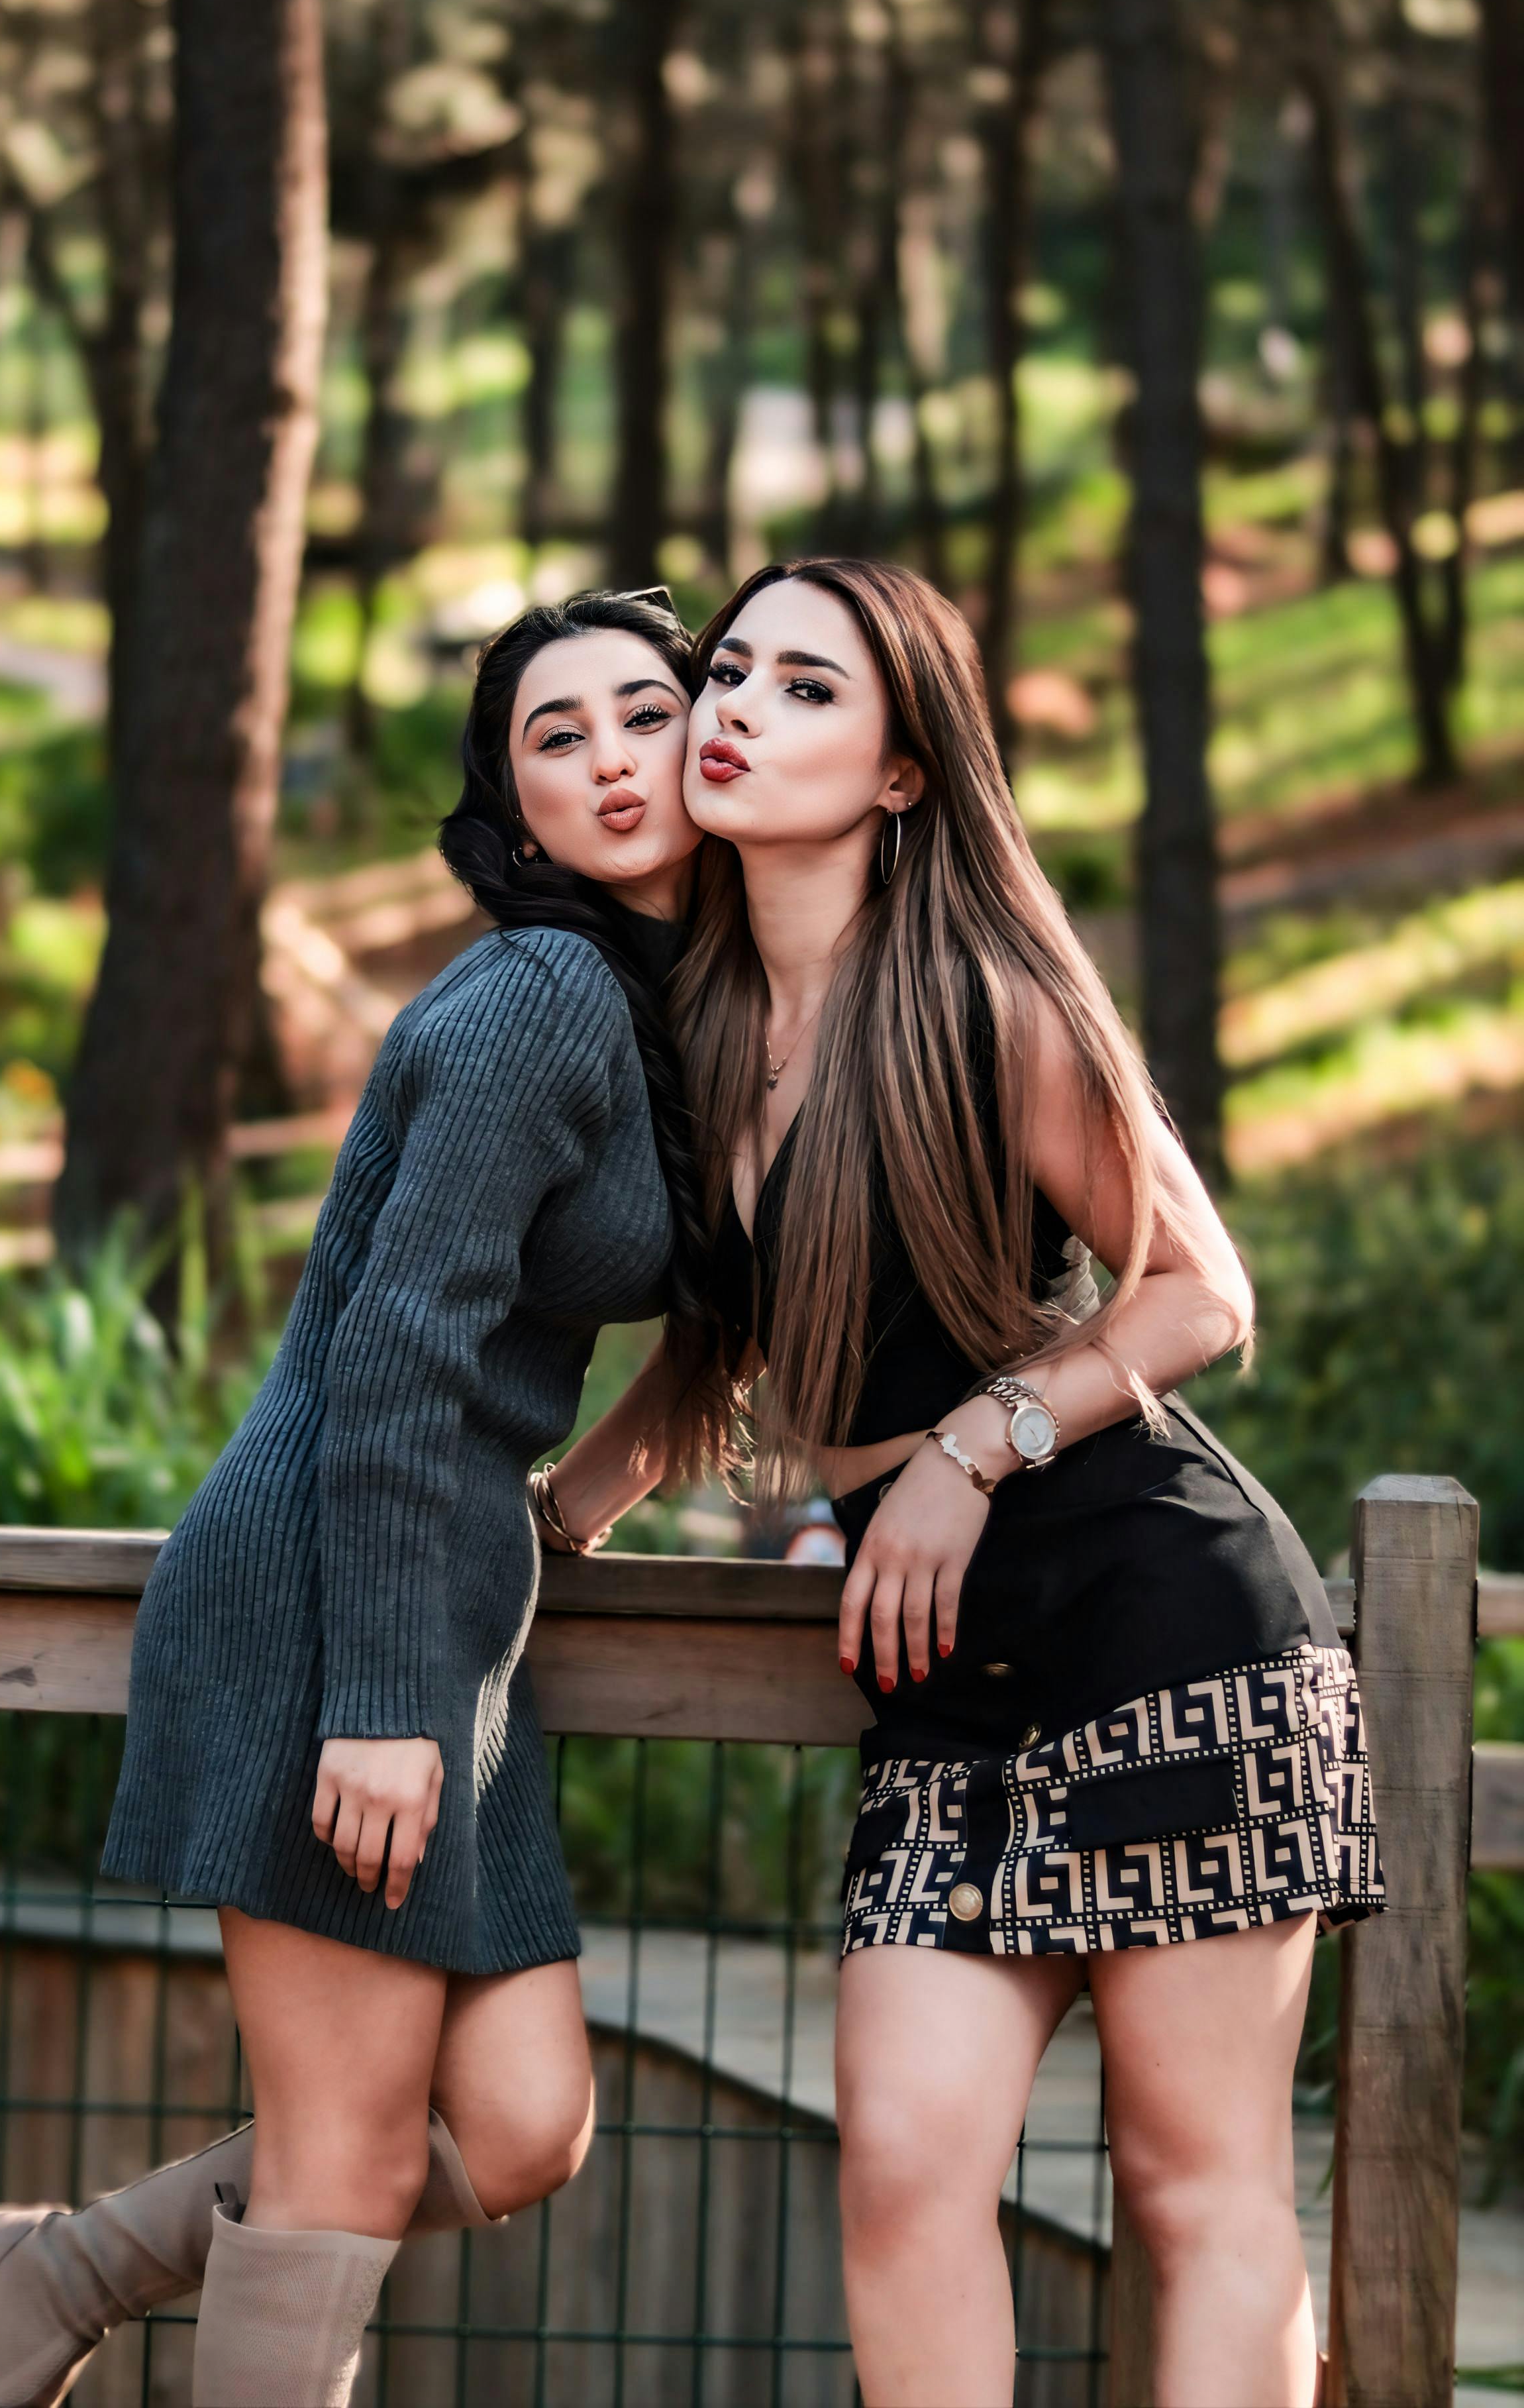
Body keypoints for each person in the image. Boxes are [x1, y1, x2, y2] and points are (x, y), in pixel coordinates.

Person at [0, 588, 728, 2408]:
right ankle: (54, 2276)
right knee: (335, 2160)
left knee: (518, 2130)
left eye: (637, 713)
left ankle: (58, 2267)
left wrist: (576, 1510)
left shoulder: (662, 1021)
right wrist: (384, 1705)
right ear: (512, 807)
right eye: (549, 739)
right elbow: (405, 1357)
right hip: (335, 1594)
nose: (604, 761)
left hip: (448, 1588)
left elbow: (692, 1334)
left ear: (704, 736)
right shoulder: (543, 996)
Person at [545, 556, 1382, 2408]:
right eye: (733, 672)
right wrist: (558, 1511)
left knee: (1193, 2188)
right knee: (909, 2170)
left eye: (808, 690)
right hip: (945, 1700)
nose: (740, 710)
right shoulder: (691, 1026)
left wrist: (961, 1455)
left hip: (1172, 1637)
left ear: (905, 772)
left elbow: (1201, 1291)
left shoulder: (985, 1001)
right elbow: (732, 1340)